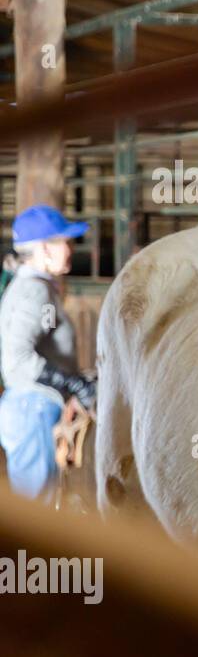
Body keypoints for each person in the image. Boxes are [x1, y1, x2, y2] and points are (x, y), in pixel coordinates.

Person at [0, 204, 96, 501]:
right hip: (34, 409)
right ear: (44, 248)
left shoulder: (37, 286)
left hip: (34, 407)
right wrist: (74, 384)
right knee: (37, 512)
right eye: (64, 242)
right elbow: (18, 357)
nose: (70, 248)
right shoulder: (36, 291)